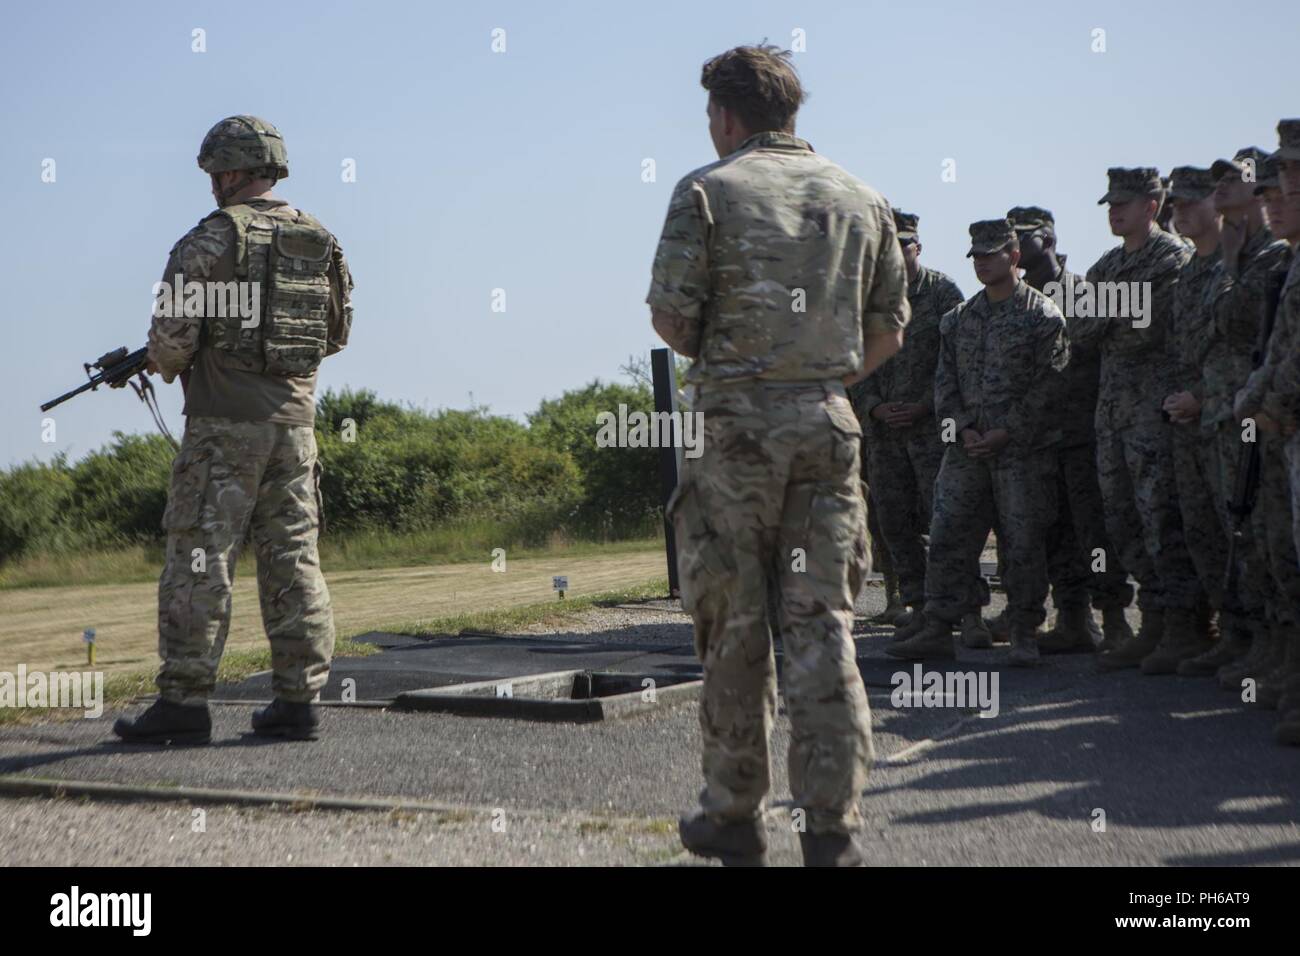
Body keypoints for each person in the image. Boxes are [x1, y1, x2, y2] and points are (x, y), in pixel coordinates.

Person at [649, 44, 909, 866]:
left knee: (735, 627)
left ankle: (732, 814)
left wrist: (743, 368)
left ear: (726, 115)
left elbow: (671, 318)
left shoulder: (708, 189)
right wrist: (818, 375)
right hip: (827, 425)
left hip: (735, 430)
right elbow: (890, 328)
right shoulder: (862, 197)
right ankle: (831, 829)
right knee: (824, 623)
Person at [114, 116, 353, 745]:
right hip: (296, 427)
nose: (213, 183)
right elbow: (335, 335)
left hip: (223, 428)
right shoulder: (319, 237)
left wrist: (173, 362)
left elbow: (169, 346)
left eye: (216, 172)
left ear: (230, 170)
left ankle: (184, 704)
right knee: (295, 558)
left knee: (199, 557)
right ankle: (298, 702)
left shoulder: (209, 241)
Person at [887, 219, 1067, 667]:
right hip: (966, 450)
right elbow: (943, 384)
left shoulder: (1042, 317)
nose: (983, 262)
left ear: (1014, 257)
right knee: (948, 533)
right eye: (977, 256)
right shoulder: (959, 319)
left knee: (1023, 540)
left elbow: (1051, 386)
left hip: (1020, 452)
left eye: (992, 254)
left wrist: (1008, 430)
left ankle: (1024, 629)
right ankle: (937, 626)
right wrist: (963, 427)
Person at [1070, 168, 1199, 672]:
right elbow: (1077, 329)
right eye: (1109, 204)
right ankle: (1153, 622)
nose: (1113, 212)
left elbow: (1151, 323)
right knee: (1122, 519)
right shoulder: (1106, 263)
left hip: (1154, 412)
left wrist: (1107, 312)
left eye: (1123, 203)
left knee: (1160, 516)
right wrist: (1116, 311)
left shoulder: (1173, 256)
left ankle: (1183, 626)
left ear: (1152, 203)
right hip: (1113, 414)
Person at [1008, 205, 1132, 654]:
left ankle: (1116, 619)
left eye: (1027, 237)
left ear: (1050, 240)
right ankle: (1073, 618)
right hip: (1036, 440)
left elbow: (1114, 347)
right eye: (1012, 239)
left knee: (1093, 532)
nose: (1018, 247)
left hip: (1081, 435)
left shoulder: (1085, 292)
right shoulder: (1013, 300)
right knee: (1053, 531)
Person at [850, 209, 963, 638]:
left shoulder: (944, 294)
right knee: (894, 523)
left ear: (918, 247)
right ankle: (917, 607)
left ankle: (959, 610)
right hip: (885, 435)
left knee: (946, 521)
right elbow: (857, 366)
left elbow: (959, 362)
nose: (896, 254)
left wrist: (925, 406)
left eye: (904, 245)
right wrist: (875, 407)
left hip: (930, 430)